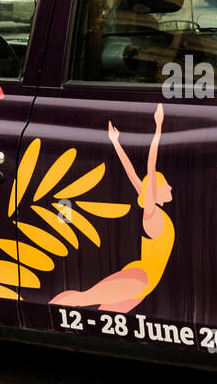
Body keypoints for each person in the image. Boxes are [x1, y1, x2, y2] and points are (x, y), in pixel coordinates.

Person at [50, 104, 175, 314]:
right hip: (139, 279)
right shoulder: (152, 213)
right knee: (81, 300)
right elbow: (150, 167)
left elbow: (133, 175)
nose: (170, 186)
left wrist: (116, 143)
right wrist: (158, 127)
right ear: (156, 190)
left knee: (105, 312)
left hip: (145, 284)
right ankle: (48, 316)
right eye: (165, 185)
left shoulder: (152, 208)